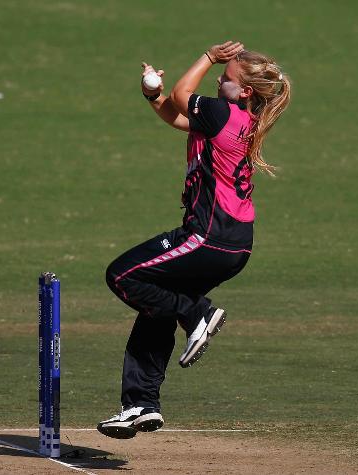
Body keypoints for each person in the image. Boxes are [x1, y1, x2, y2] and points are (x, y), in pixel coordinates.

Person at [97, 41, 292, 439]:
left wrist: (207, 56)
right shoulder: (235, 118)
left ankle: (196, 313)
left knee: (122, 275)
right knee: (154, 311)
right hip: (234, 243)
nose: (221, 79)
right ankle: (140, 404)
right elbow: (176, 115)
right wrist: (153, 95)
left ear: (246, 92)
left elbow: (183, 95)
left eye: (228, 78)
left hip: (207, 236)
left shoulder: (222, 111)